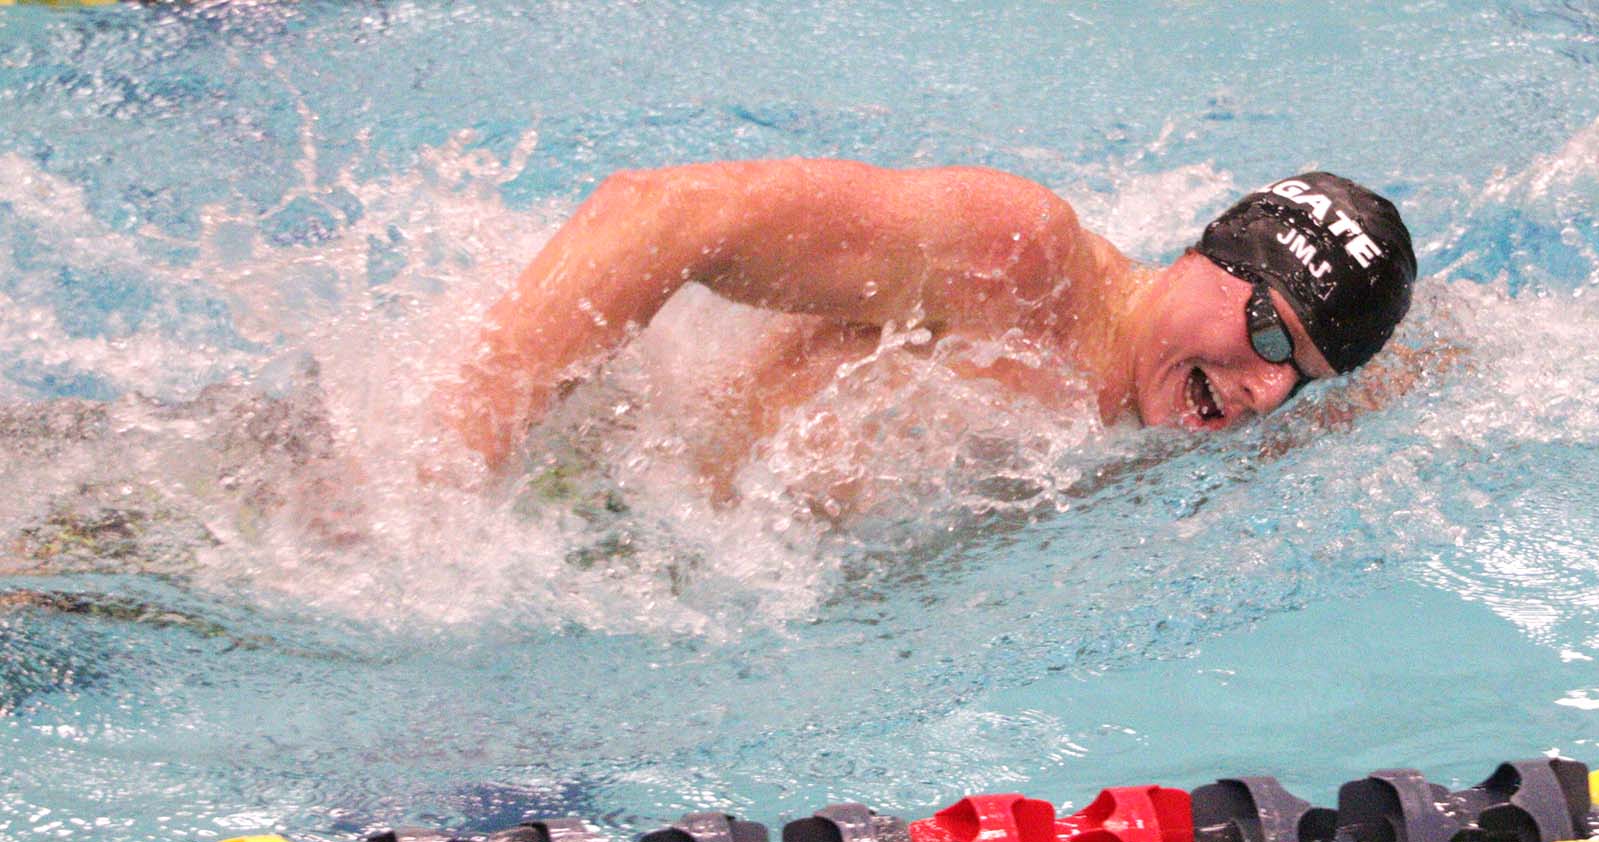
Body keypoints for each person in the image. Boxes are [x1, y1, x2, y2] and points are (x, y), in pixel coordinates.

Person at [431, 159, 1418, 487]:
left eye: (1306, 377)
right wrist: (449, 473)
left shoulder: (1179, 416)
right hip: (577, 485)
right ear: (1211, 257)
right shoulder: (1018, 259)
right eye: (1276, 338)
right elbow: (656, 212)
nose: (1269, 391)